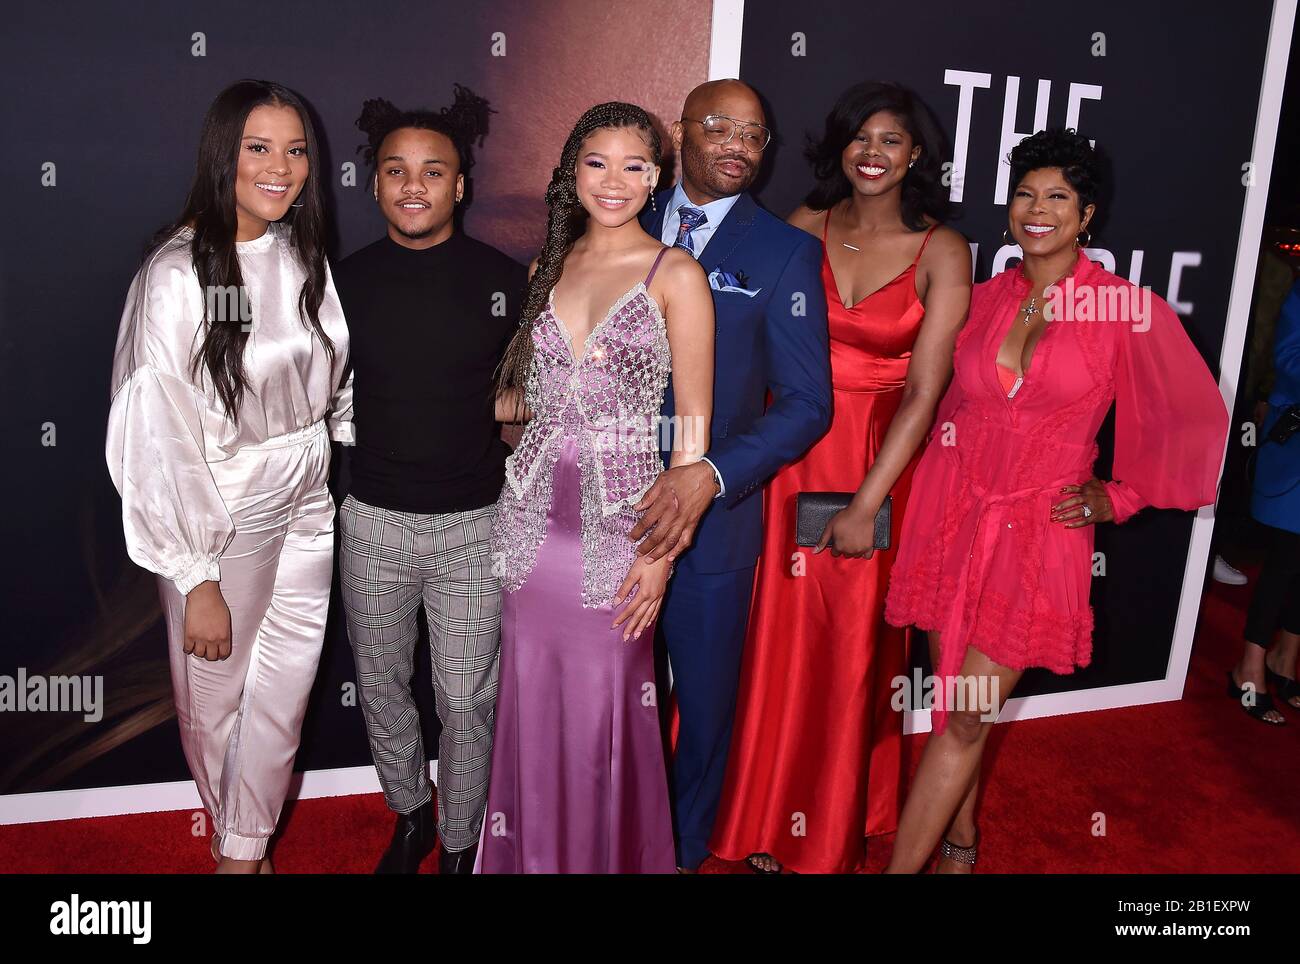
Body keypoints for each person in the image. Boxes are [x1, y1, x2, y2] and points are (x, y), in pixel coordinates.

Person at [883, 128, 1228, 873]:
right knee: (950, 706)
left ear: (1088, 212)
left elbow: (1191, 418)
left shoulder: (1124, 309)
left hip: (1040, 530)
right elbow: (934, 401)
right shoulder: (978, 298)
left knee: (970, 710)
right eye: (1025, 195)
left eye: (1058, 197)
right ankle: (961, 840)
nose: (1037, 210)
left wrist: (1122, 496)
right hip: (953, 512)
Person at [710, 82, 971, 874]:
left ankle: (819, 830)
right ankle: (757, 816)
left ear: (916, 155)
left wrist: (867, 501)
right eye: (861, 137)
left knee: (849, 651)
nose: (873, 153)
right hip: (784, 463)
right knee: (770, 644)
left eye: (892, 141)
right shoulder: (800, 227)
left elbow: (926, 392)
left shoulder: (943, 249)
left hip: (876, 471)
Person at [106, 80, 352, 873]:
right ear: (223, 154)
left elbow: (332, 374)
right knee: (216, 701)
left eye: (297, 149)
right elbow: (156, 434)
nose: (281, 168)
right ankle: (235, 847)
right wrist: (195, 574)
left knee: (284, 690)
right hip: (224, 507)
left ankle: (245, 843)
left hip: (308, 499)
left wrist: (343, 436)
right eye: (258, 147)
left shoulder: (300, 252)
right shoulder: (178, 275)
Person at [477, 102, 714, 873]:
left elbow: (692, 433)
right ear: (571, 173)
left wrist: (662, 555)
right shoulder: (550, 264)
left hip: (622, 531)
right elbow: (534, 397)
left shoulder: (674, 273)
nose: (614, 181)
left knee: (611, 710)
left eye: (635, 166)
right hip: (530, 528)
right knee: (530, 709)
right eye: (597, 163)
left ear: (658, 181)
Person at [633, 79, 833, 873]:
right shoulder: (620, 214)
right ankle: (613, 832)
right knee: (615, 699)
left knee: (705, 706)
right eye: (718, 126)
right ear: (680, 131)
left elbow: (807, 404)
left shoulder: (785, 251)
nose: (738, 145)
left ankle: (680, 854)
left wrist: (709, 475)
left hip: (713, 526)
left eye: (754, 134)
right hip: (605, 509)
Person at [332, 87, 526, 874]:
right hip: (372, 519)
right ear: (374, 183)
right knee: (380, 687)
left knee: (468, 702)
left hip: (475, 524)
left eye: (433, 172)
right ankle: (410, 813)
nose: (414, 186)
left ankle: (457, 842)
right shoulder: (340, 285)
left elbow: (530, 399)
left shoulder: (508, 282)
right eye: (396, 171)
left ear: (460, 185)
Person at [1230, 278, 1300, 724]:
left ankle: (1285, 659)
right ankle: (1248, 667)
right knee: (1286, 558)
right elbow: (1288, 358)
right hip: (1295, 444)